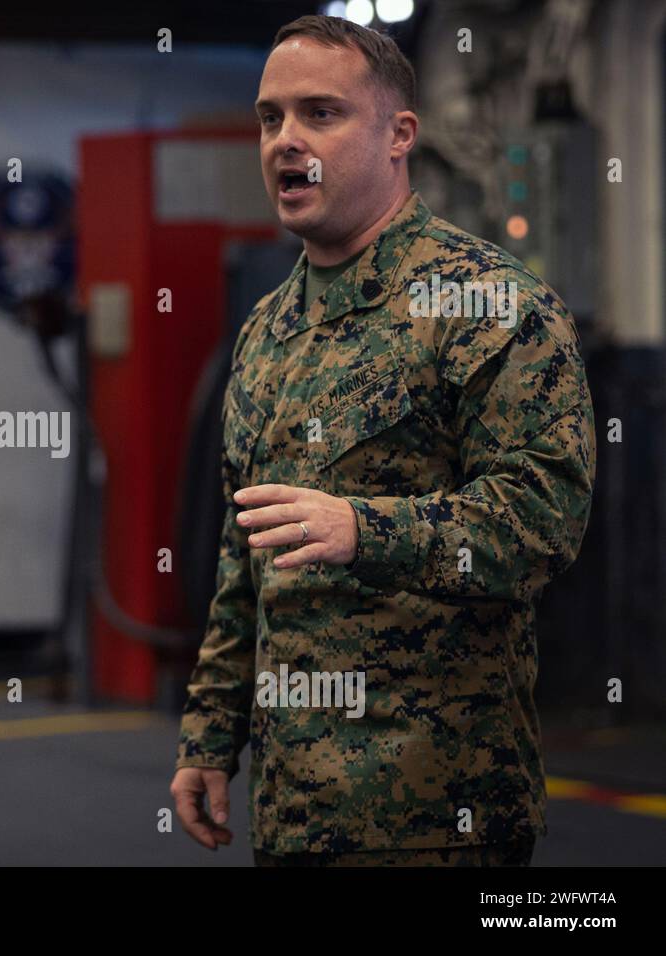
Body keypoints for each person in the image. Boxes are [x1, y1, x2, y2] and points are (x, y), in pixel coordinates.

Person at [170, 15, 595, 866]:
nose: (286, 142)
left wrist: (367, 532)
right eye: (269, 119)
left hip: (436, 813)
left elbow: (545, 517)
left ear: (400, 135)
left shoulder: (488, 306)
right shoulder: (267, 330)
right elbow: (239, 556)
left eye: (320, 113)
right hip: (294, 812)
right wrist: (210, 736)